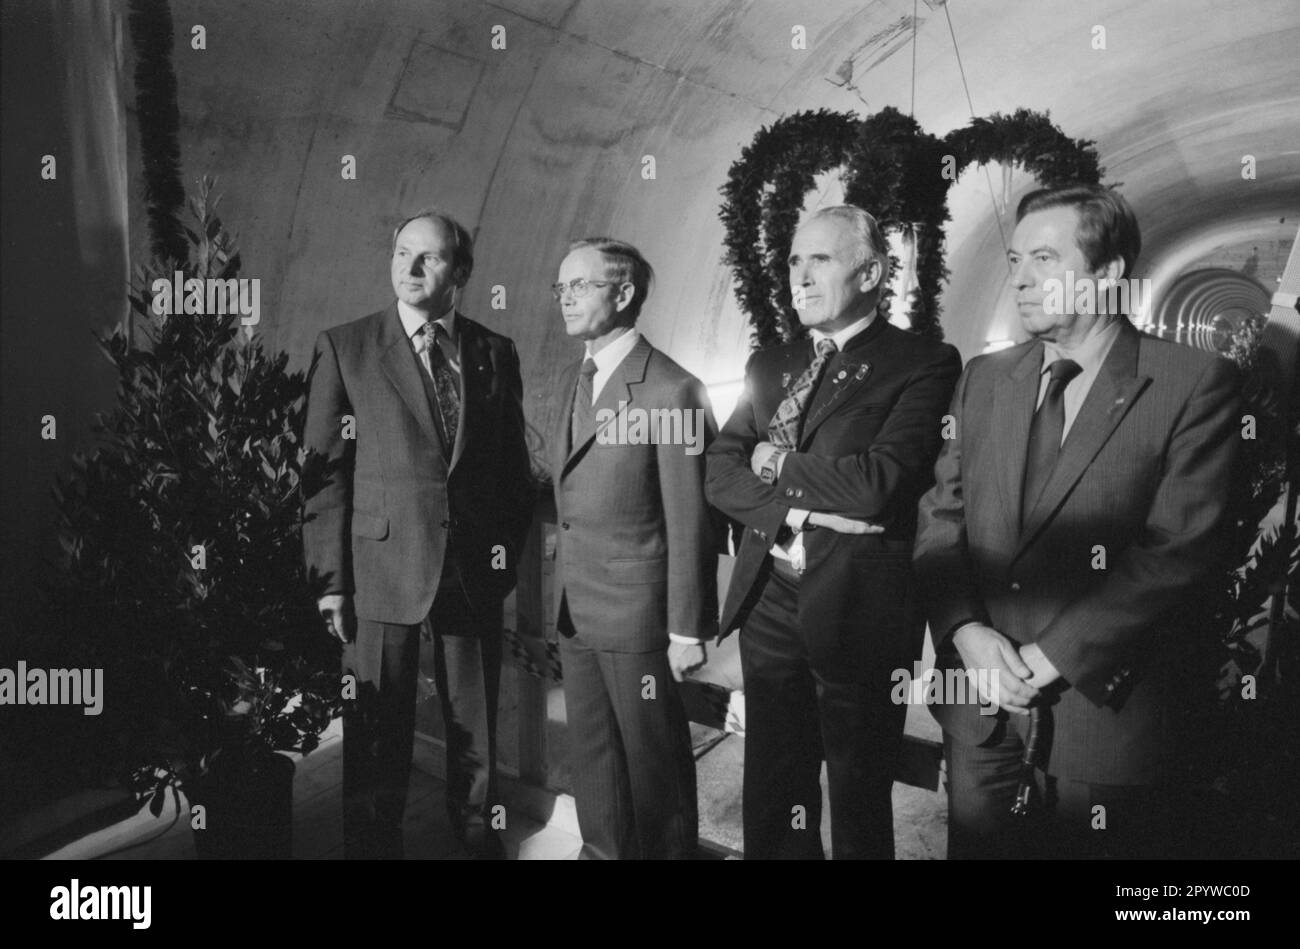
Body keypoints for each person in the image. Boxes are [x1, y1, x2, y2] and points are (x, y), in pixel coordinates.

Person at [913, 184, 1241, 858]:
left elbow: (1177, 550)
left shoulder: (1190, 382)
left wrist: (1050, 657)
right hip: (978, 710)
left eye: (1044, 258)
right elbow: (941, 517)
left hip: (1101, 724)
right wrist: (965, 629)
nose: (1021, 280)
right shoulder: (983, 378)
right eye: (1014, 258)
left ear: (1109, 273)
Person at [706, 205, 961, 859]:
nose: (800, 273)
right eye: (794, 260)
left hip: (861, 609)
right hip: (770, 599)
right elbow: (718, 469)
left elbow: (877, 483)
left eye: (819, 258)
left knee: (858, 793)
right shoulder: (771, 362)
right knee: (772, 784)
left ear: (870, 271)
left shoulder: (924, 362)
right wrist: (802, 509)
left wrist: (775, 463)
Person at [302, 209, 533, 858]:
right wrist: (330, 584)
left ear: (460, 272)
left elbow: (513, 472)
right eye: (402, 252)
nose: (408, 267)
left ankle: (478, 843)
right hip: (379, 574)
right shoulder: (345, 348)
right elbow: (323, 478)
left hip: (470, 577)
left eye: (427, 257)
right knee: (376, 740)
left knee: (476, 736)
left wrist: (500, 560)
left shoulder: (493, 351)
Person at [550, 237, 718, 859]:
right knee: (594, 763)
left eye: (580, 286)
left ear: (623, 294)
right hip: (578, 610)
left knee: (656, 776)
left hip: (639, 617)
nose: (565, 298)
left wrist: (686, 627)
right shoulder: (582, 374)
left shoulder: (672, 389)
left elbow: (691, 516)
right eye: (560, 287)